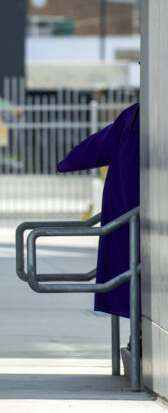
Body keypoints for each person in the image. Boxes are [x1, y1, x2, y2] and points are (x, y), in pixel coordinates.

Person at [57, 103, 140, 319]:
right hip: (136, 220)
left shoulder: (131, 120)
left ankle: (139, 337)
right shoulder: (130, 120)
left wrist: (65, 163)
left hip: (128, 223)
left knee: (134, 279)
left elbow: (92, 149)